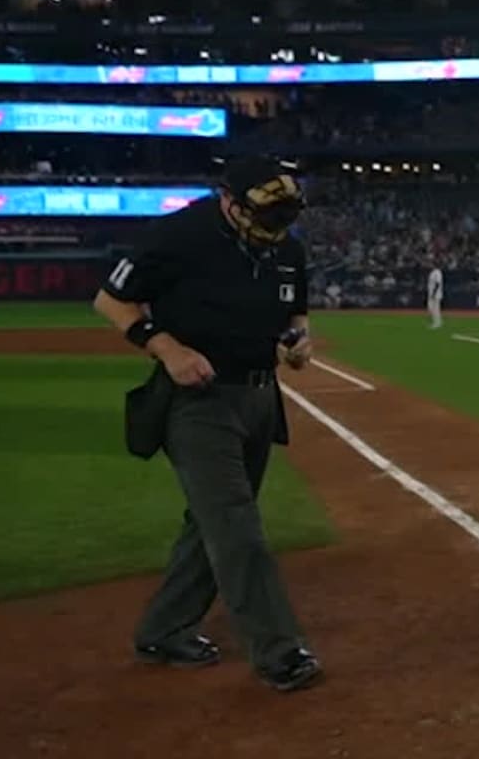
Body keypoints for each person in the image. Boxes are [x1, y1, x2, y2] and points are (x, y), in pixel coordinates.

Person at [91, 157, 323, 692]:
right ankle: (279, 652)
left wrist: (298, 342)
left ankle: (164, 629)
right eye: (266, 217)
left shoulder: (286, 243)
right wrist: (167, 347)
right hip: (197, 401)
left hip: (261, 398)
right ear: (231, 201)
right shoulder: (180, 234)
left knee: (211, 522)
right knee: (236, 524)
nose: (276, 230)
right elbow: (110, 299)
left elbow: (296, 313)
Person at [426, 265, 444, 329]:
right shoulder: (432, 272)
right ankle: (437, 321)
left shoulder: (437, 272)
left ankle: (437, 323)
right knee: (430, 308)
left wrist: (434, 293)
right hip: (431, 293)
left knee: (436, 309)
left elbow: (438, 283)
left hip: (436, 294)